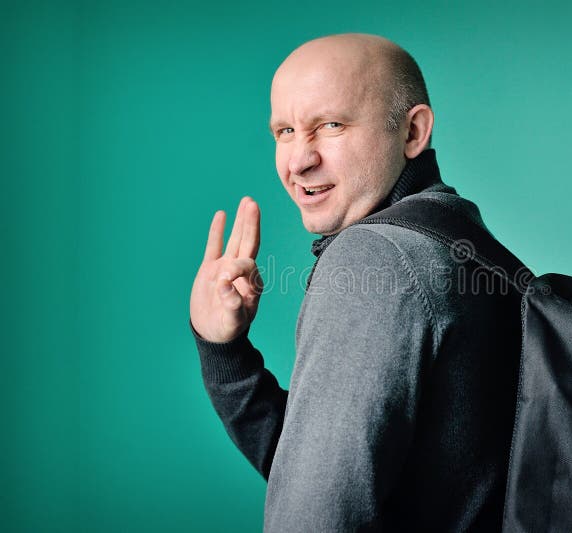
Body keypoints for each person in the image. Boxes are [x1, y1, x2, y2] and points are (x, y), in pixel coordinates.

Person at [189, 33, 524, 531]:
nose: (298, 160)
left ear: (413, 132)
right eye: (284, 131)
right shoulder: (463, 237)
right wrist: (225, 354)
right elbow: (322, 471)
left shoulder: (376, 257)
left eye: (330, 125)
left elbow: (315, 515)